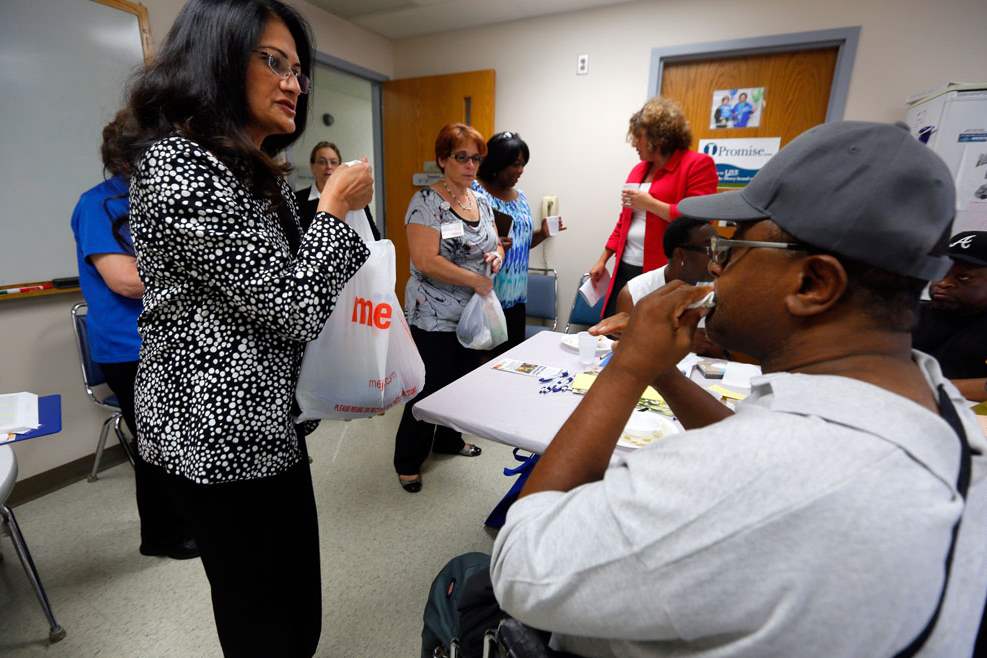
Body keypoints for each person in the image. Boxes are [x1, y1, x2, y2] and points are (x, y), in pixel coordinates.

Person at [488, 121, 987, 657]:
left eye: (730, 249)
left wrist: (627, 369)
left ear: (813, 283)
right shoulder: (938, 403)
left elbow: (520, 565)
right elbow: (751, 443)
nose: (714, 271)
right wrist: (662, 370)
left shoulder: (752, 473)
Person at [120, 1, 373, 654]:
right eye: (273, 62)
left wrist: (322, 214)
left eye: (298, 69)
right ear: (217, 59)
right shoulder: (180, 166)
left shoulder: (248, 172)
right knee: (266, 617)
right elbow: (290, 305)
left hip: (264, 422)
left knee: (290, 605)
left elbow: (283, 290)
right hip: (218, 433)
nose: (292, 82)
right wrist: (337, 210)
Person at [70, 111, 196, 560]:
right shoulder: (96, 205)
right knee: (156, 443)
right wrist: (202, 268)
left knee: (180, 438)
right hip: (129, 347)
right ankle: (162, 536)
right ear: (126, 158)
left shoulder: (162, 199)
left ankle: (188, 521)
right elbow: (124, 280)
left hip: (172, 339)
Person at [395, 122, 504, 493]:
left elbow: (494, 242)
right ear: (443, 159)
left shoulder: (482, 199)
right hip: (434, 314)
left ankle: (448, 441)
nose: (470, 165)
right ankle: (408, 459)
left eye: (476, 159)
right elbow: (425, 260)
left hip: (472, 313)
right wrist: (474, 279)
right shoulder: (426, 203)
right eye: (461, 157)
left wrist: (496, 256)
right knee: (427, 387)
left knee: (459, 383)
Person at [589, 97, 717, 317]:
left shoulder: (697, 164)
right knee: (615, 330)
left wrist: (651, 204)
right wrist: (603, 259)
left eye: (638, 136)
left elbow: (700, 219)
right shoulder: (638, 170)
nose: (633, 143)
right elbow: (624, 221)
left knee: (651, 332)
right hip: (626, 266)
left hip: (662, 269)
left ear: (657, 137)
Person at [473, 131, 564, 353]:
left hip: (517, 300)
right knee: (483, 367)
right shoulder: (475, 193)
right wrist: (494, 246)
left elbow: (521, 244)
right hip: (487, 299)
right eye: (515, 164)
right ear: (497, 163)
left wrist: (541, 233)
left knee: (510, 360)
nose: (521, 170)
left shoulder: (520, 197)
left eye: (523, 164)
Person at [591, 217, 728, 358]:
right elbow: (627, 354)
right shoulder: (635, 292)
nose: (717, 256)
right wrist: (678, 342)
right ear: (681, 255)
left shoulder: (719, 289)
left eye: (719, 247)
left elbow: (725, 354)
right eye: (709, 248)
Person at [913, 230, 987, 401]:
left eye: (963, 277)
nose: (944, 283)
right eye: (940, 272)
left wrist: (926, 386)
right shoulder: (906, 313)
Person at [296, 141, 381, 239]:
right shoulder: (297, 200)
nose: (328, 167)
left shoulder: (353, 197)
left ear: (340, 167)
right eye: (322, 162)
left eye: (333, 162)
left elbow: (374, 235)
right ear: (312, 166)